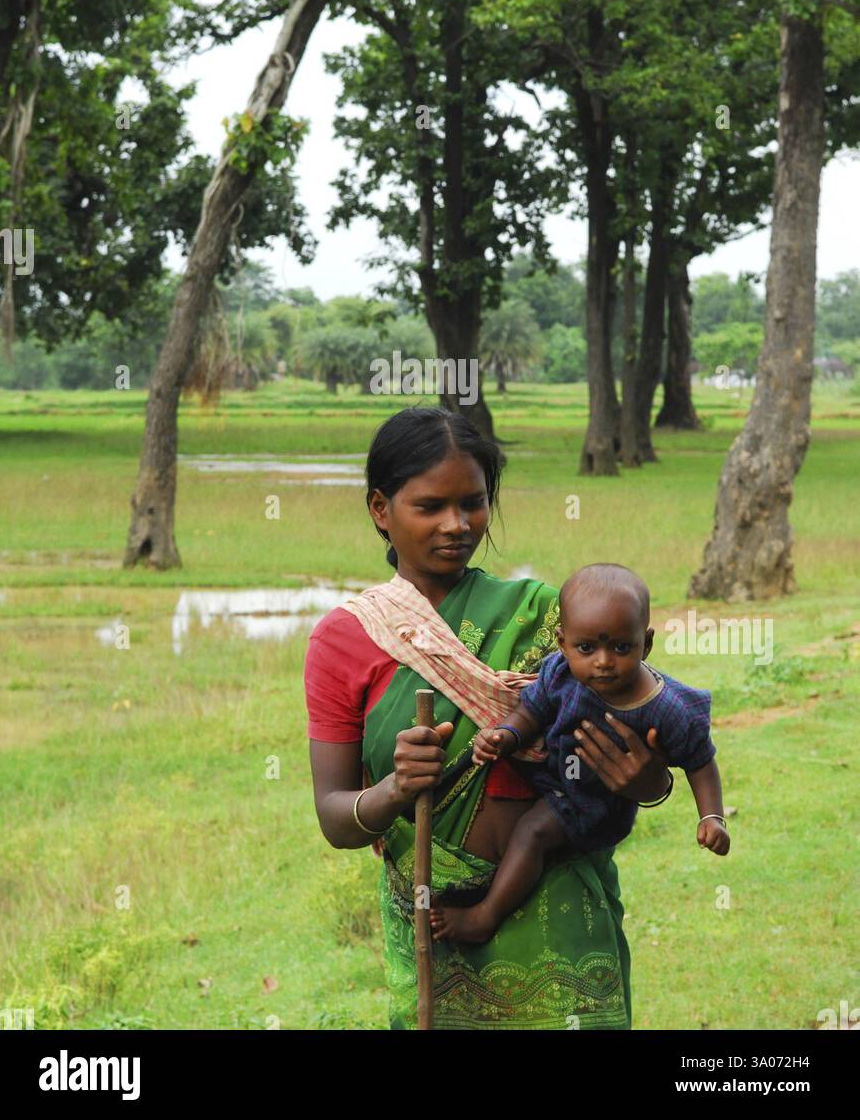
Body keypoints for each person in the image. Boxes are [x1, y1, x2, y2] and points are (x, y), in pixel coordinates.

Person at [305, 406, 674, 1030]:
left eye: (473, 503)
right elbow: (335, 818)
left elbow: (651, 765)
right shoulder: (343, 642)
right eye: (430, 507)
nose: (457, 525)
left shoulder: (549, 617)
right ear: (379, 509)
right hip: (437, 921)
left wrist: (644, 779)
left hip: (561, 910)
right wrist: (396, 789)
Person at [429, 562, 729, 946]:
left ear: (647, 643)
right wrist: (505, 736)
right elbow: (530, 712)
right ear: (562, 642)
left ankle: (484, 916)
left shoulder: (666, 707)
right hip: (555, 777)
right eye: (587, 648)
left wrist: (712, 817)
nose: (603, 661)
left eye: (621, 647)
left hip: (594, 804)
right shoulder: (560, 673)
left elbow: (700, 761)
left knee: (531, 833)